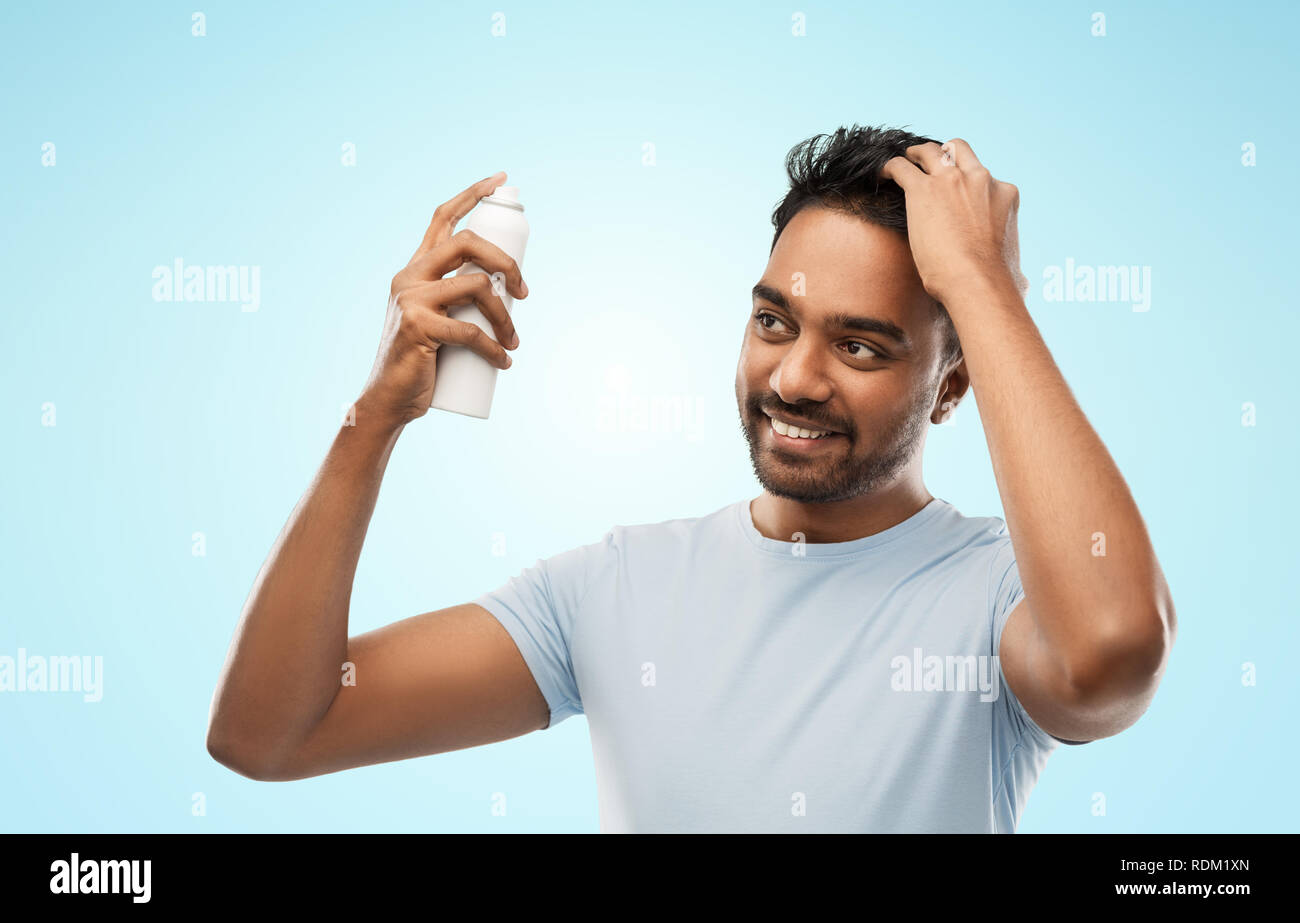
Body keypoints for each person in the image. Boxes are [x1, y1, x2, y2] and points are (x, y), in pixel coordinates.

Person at [206, 124, 1176, 833]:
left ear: (951, 382)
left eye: (863, 345)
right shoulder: (613, 587)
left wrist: (982, 285)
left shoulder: (1001, 597)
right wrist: (371, 419)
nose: (795, 376)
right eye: (773, 321)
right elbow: (273, 732)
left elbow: (1110, 654)